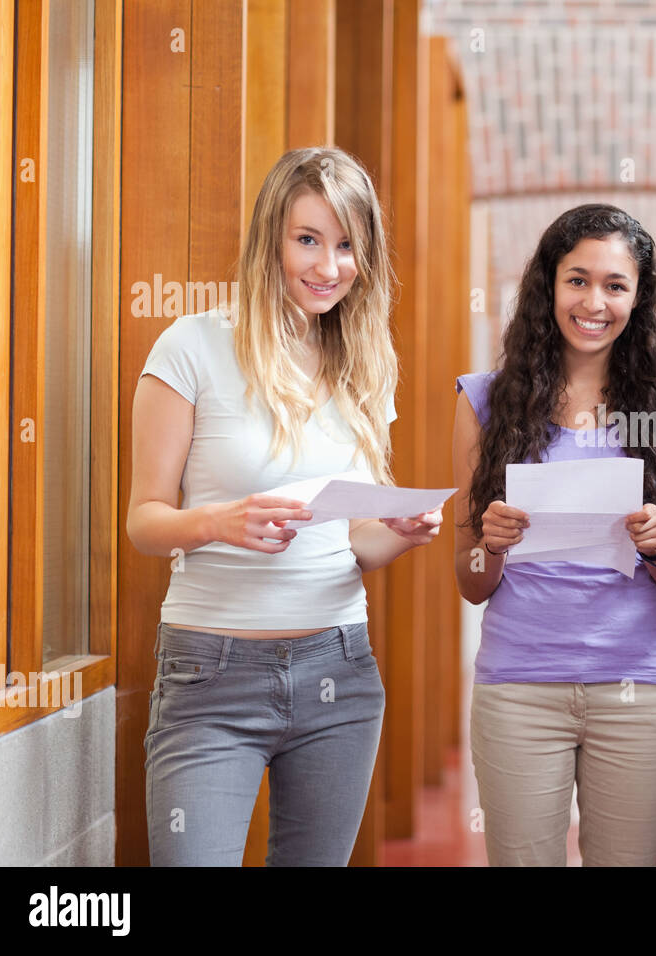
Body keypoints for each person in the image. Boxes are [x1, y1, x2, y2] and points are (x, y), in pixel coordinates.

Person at [127, 146, 442, 866]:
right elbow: (144, 520)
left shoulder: (363, 360)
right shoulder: (192, 347)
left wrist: (396, 532)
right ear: (271, 236)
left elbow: (355, 542)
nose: (327, 266)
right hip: (209, 677)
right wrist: (218, 523)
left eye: (346, 246)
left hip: (339, 671)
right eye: (308, 240)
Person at [452, 203, 656, 866]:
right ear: (549, 285)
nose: (595, 301)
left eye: (616, 285)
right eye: (578, 280)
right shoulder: (485, 401)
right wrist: (491, 541)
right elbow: (470, 580)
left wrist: (655, 544)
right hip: (519, 689)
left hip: (638, 686)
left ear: (639, 298)